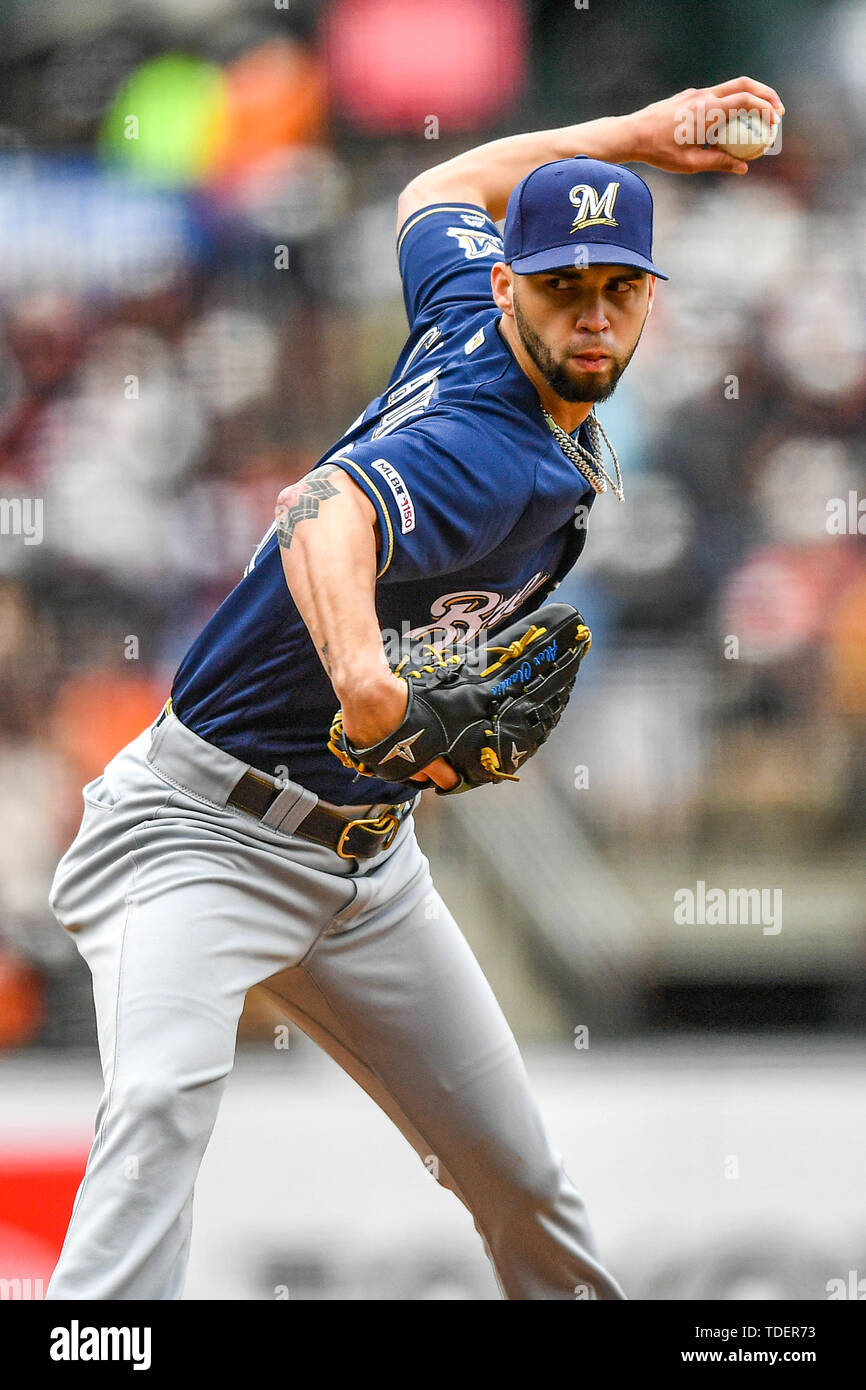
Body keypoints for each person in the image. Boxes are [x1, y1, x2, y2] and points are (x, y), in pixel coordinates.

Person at [46, 78, 784, 1301]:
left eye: (615, 288)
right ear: (511, 287)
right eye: (561, 286)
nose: (589, 315)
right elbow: (323, 508)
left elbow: (437, 187)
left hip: (364, 867)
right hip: (201, 836)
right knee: (160, 1109)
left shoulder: (464, 305)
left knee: (522, 1182)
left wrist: (630, 138)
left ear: (649, 296)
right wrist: (371, 687)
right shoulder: (483, 451)